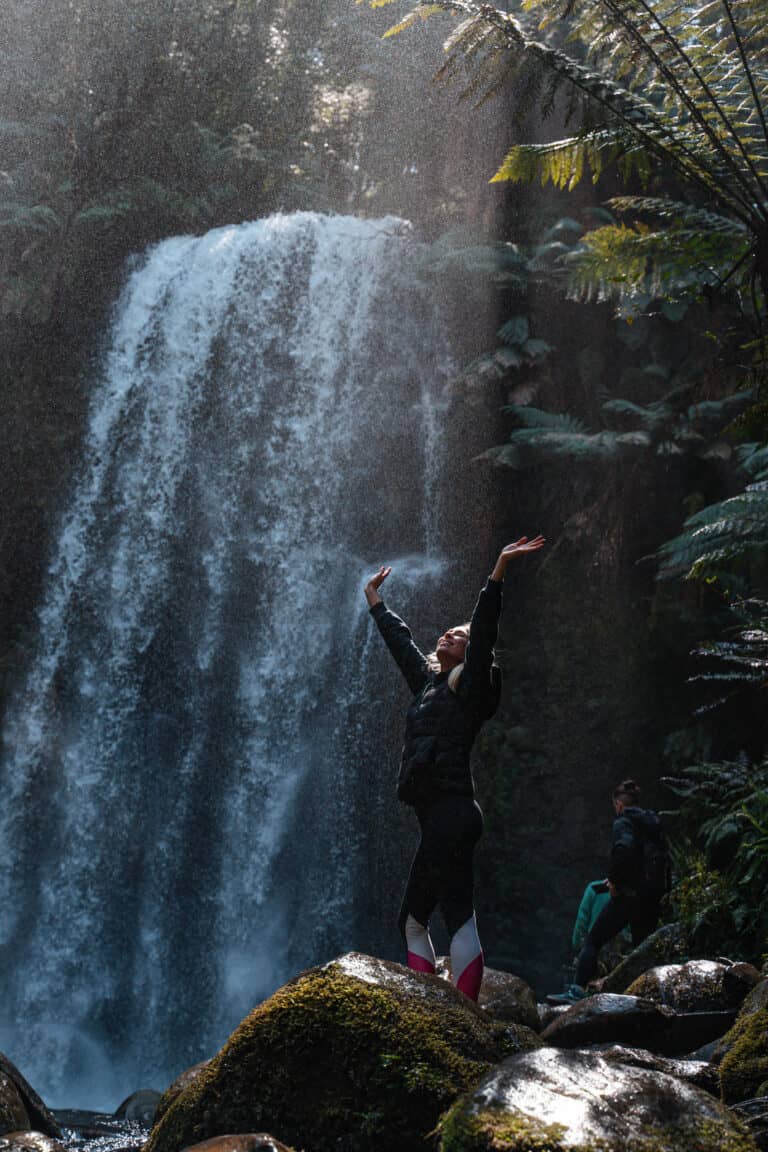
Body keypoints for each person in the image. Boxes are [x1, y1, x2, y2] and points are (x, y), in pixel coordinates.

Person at [365, 536, 545, 1000]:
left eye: (457, 636)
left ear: (470, 654)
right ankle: (434, 1004)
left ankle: (463, 1015)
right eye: (446, 632)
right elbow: (404, 647)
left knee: (458, 913)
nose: (448, 635)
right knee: (412, 920)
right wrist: (375, 602)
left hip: (454, 812)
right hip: (438, 819)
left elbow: (484, 632)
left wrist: (498, 571)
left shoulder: (470, 691)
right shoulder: (430, 687)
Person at [548, 778, 671, 1005]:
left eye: (615, 806)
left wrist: (614, 882)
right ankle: (653, 997)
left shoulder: (623, 822)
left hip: (628, 896)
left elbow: (623, 849)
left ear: (619, 804)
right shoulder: (653, 824)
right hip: (651, 897)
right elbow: (665, 858)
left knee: (593, 941)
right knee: (642, 949)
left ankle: (576, 991)